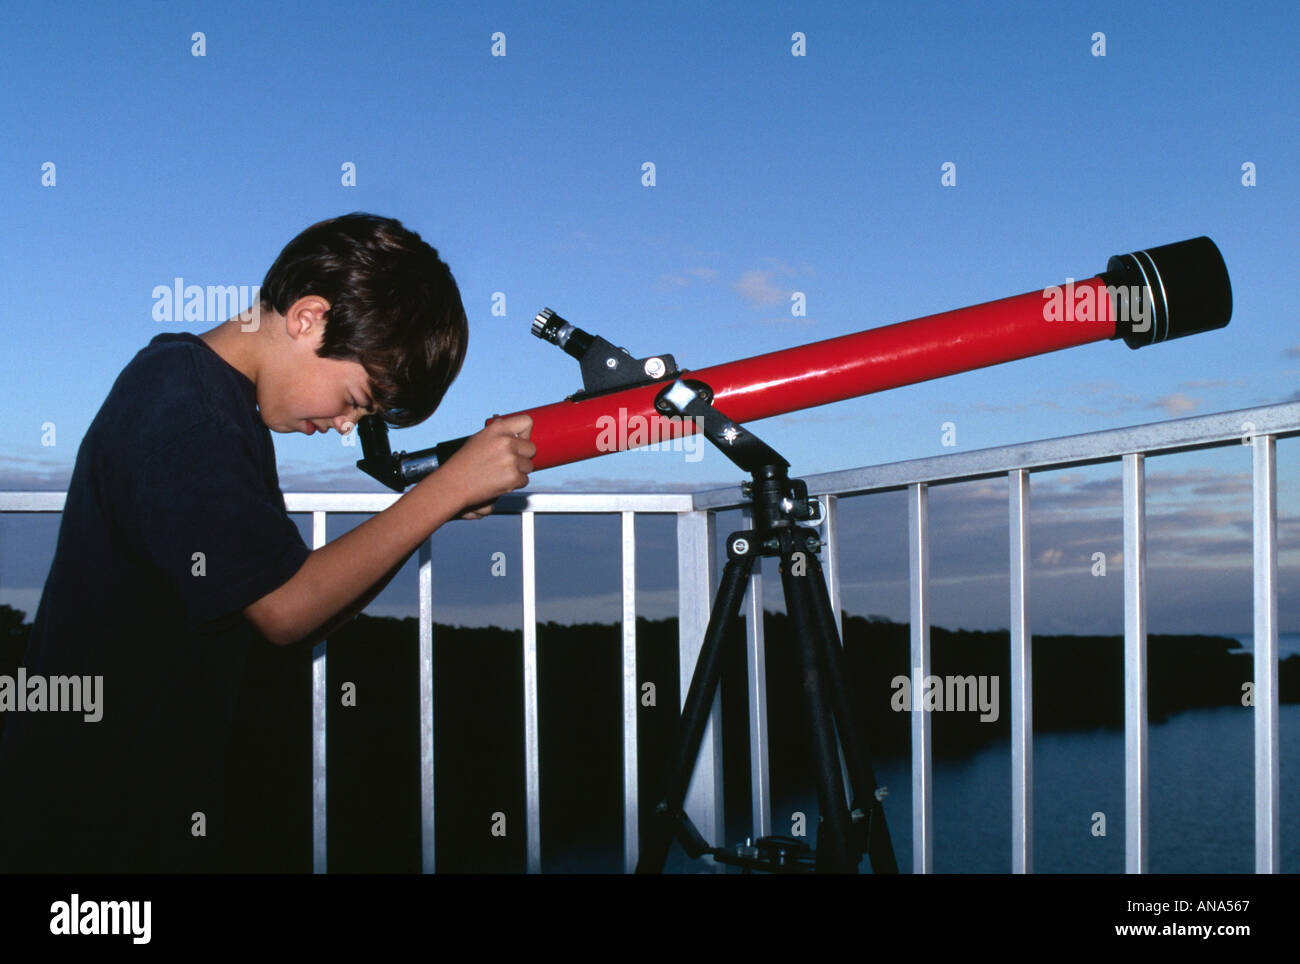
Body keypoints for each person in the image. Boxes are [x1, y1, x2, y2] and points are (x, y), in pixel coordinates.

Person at [0, 212, 534, 872]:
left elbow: (291, 611)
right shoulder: (188, 413)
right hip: (91, 820)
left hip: (133, 799)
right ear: (309, 318)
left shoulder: (209, 397)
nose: (344, 427)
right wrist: (440, 493)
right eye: (357, 401)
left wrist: (434, 507)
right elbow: (284, 609)